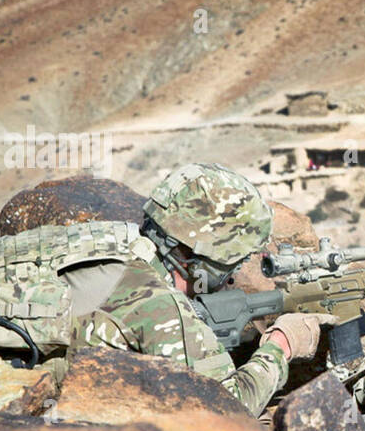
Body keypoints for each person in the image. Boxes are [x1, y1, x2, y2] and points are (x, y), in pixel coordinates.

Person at [69, 162, 329, 415]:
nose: (234, 273)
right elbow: (227, 412)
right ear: (203, 259)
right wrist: (281, 344)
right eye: (233, 262)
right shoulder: (160, 308)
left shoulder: (103, 237)